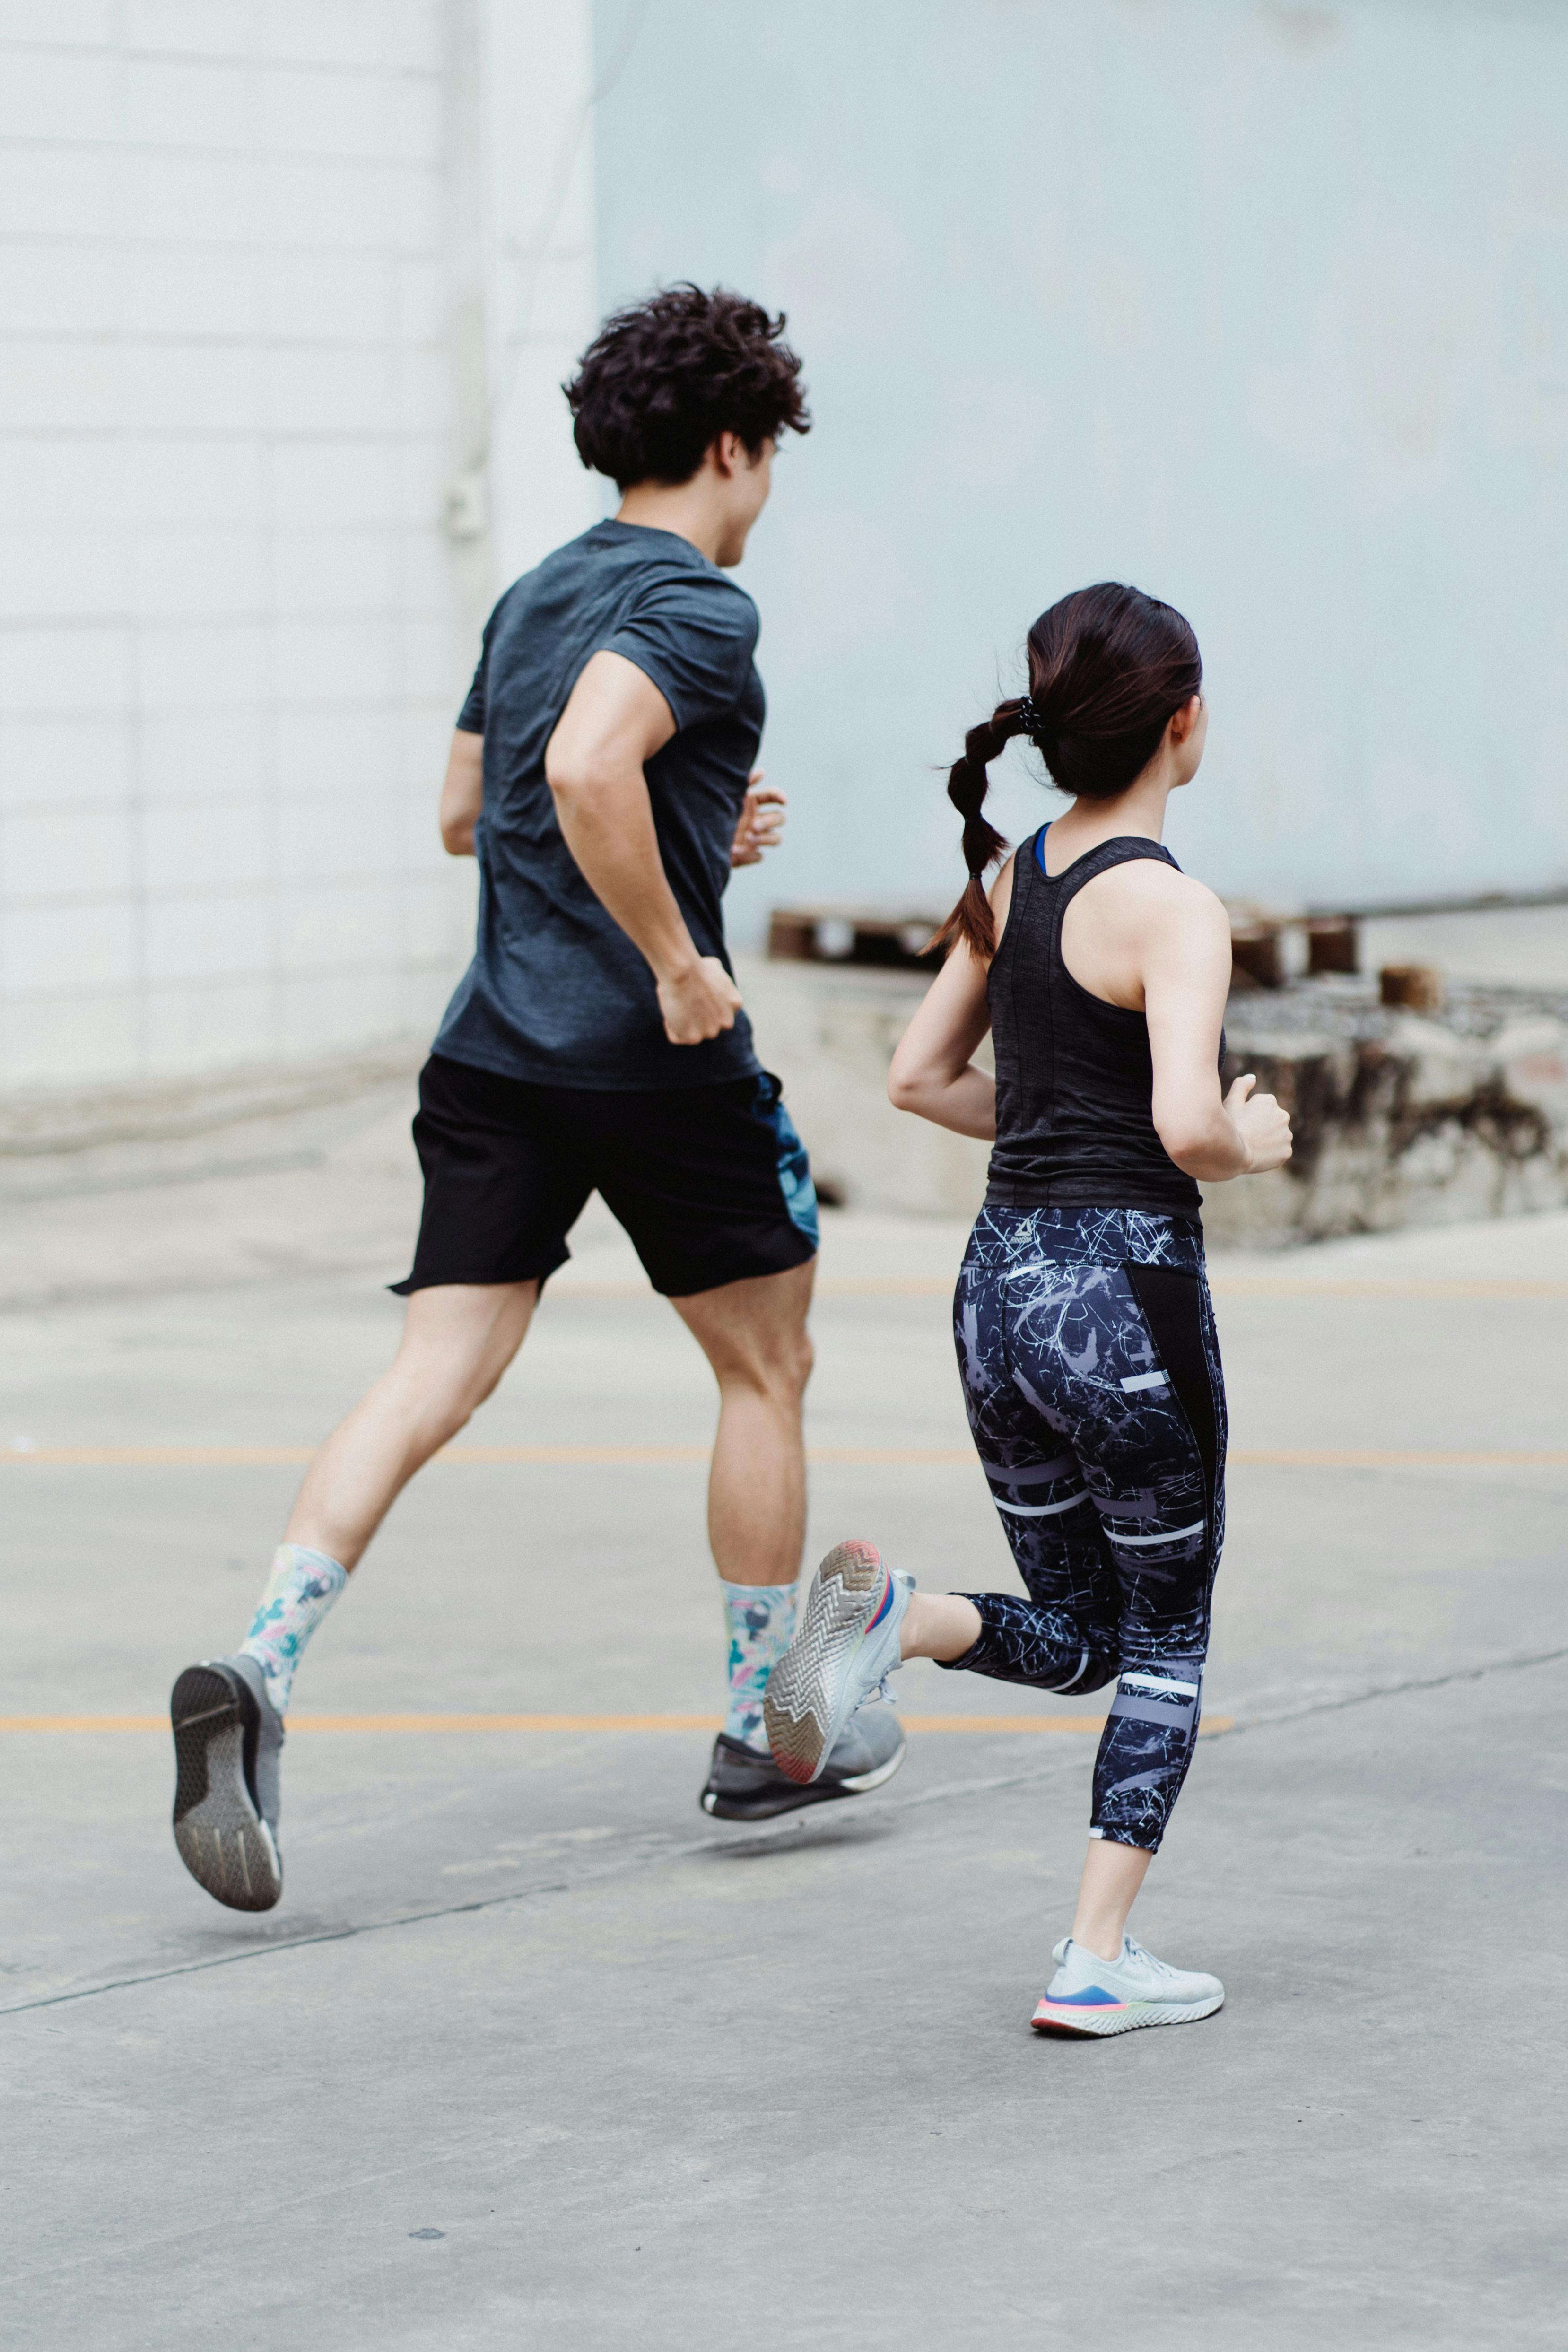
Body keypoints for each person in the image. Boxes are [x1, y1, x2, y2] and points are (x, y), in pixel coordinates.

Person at [169, 285, 904, 1914]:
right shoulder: (698, 605)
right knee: (763, 1363)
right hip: (652, 1062)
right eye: (768, 451)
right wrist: (674, 950)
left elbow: (466, 808)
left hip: (492, 1052)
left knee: (434, 1371)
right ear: (730, 444)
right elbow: (581, 772)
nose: (766, 482)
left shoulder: (533, 590)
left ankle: (261, 1662)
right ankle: (755, 1733)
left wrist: (693, 832)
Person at [763, 582, 1293, 2036]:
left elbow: (917, 1081)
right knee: (1167, 1642)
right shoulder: (1174, 909)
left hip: (997, 1296)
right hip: (1123, 1301)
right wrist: (1239, 1143)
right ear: (1183, 725)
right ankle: (1094, 1958)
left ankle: (899, 1615)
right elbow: (1187, 1124)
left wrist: (1064, 1121)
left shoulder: (1010, 882)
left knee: (1079, 1633)